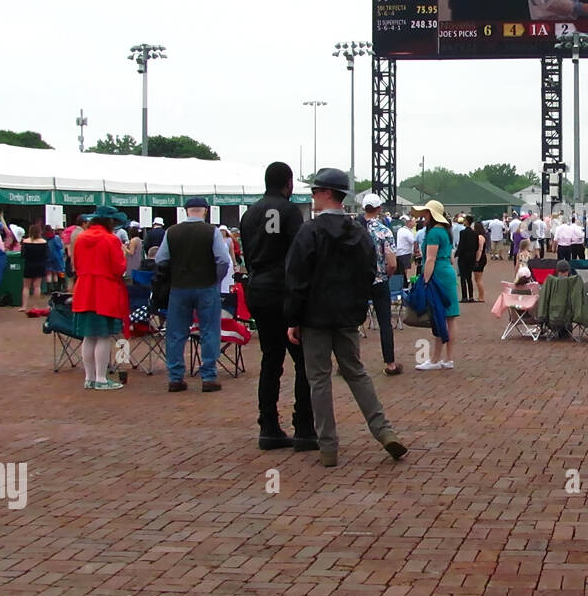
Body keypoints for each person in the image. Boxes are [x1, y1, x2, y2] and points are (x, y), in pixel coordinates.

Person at [284, 168, 405, 467]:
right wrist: (356, 307)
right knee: (356, 373)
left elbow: (297, 277)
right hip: (347, 315)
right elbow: (368, 273)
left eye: (315, 191)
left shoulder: (310, 231)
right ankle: (383, 430)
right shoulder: (358, 231)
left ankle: (329, 447)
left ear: (326, 193)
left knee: (319, 379)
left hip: (314, 316)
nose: (313, 196)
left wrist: (293, 317)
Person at [240, 162, 315, 451]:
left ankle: (268, 425)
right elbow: (299, 253)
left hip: (258, 288)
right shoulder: (290, 212)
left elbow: (247, 254)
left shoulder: (250, 214)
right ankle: (304, 427)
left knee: (271, 358)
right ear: (289, 183)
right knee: (302, 359)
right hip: (284, 289)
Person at [156, 197, 231, 393]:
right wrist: (216, 278)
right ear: (205, 211)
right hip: (206, 286)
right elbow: (223, 259)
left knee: (176, 334)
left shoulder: (172, 232)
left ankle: (175, 377)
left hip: (179, 287)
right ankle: (208, 376)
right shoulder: (211, 231)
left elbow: (160, 259)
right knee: (209, 331)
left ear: (186, 211)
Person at [70, 206, 129, 391]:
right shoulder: (111, 239)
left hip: (83, 288)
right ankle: (102, 378)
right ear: (110, 221)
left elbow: (76, 264)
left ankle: (89, 377)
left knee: (89, 336)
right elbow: (119, 268)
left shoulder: (80, 238)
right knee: (103, 336)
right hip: (105, 290)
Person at [412, 199, 461, 370]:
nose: (423, 216)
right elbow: (450, 256)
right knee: (450, 317)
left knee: (439, 316)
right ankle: (447, 358)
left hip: (438, 274)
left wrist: (424, 281)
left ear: (431, 214)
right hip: (447, 271)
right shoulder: (446, 231)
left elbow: (430, 259)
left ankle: (435, 359)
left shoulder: (433, 233)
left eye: (426, 213)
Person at [362, 193, 403, 375]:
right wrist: (387, 274)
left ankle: (346, 362)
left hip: (357, 282)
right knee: (385, 322)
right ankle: (390, 363)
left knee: (351, 322)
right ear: (379, 209)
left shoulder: (353, 229)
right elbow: (392, 262)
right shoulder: (383, 231)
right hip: (379, 280)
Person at [19, 223, 49, 312]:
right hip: (40, 265)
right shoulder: (44, 242)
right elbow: (46, 255)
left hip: (29, 264)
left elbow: (23, 255)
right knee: (37, 286)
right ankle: (36, 306)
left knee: (26, 287)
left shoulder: (25, 242)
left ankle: (24, 306)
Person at [455, 212, 477, 302]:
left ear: (467, 221)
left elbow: (461, 245)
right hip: (471, 257)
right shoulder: (474, 233)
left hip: (463, 257)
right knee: (469, 277)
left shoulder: (463, 232)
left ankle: (464, 296)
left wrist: (457, 253)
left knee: (463, 277)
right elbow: (476, 246)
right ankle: (471, 296)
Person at [472, 220, 488, 302]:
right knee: (477, 278)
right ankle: (480, 296)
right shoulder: (482, 236)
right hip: (482, 257)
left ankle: (481, 296)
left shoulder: (480, 237)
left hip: (480, 258)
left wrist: (477, 260)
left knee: (478, 279)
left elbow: (480, 249)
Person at [46, 226, 65, 290]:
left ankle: (49, 289)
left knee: (48, 273)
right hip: (57, 257)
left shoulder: (45, 238)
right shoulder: (56, 238)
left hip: (47, 257)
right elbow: (60, 246)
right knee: (56, 272)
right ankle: (57, 288)